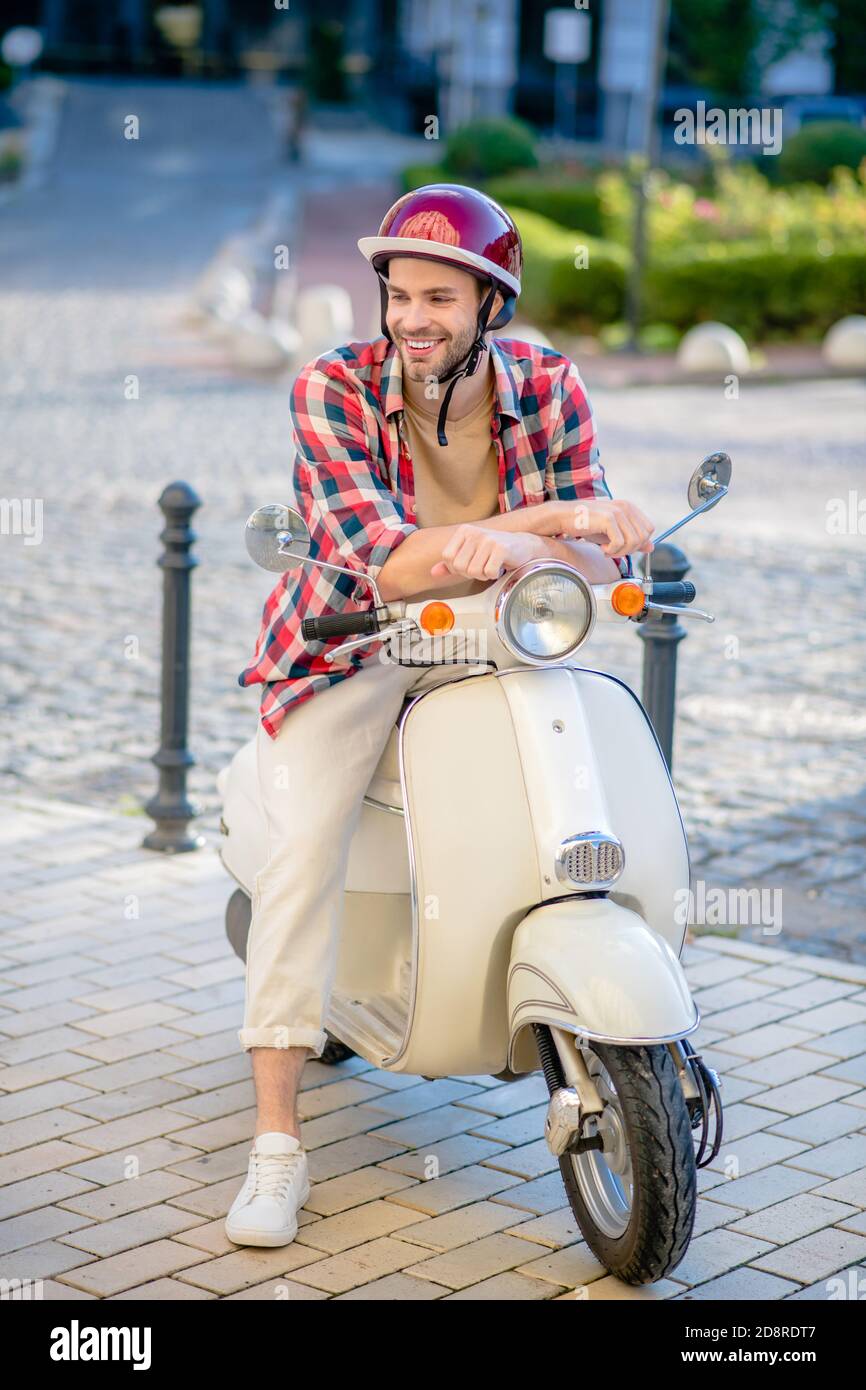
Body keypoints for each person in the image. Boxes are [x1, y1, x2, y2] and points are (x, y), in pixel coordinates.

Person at [225, 184, 654, 1247]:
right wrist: (546, 523)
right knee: (307, 848)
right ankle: (276, 1143)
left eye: (440, 298)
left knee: (583, 777)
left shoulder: (548, 384)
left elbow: (604, 558)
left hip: (503, 633)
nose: (413, 318)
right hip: (356, 643)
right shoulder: (332, 385)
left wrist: (532, 540)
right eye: (400, 295)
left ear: (490, 305)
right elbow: (391, 560)